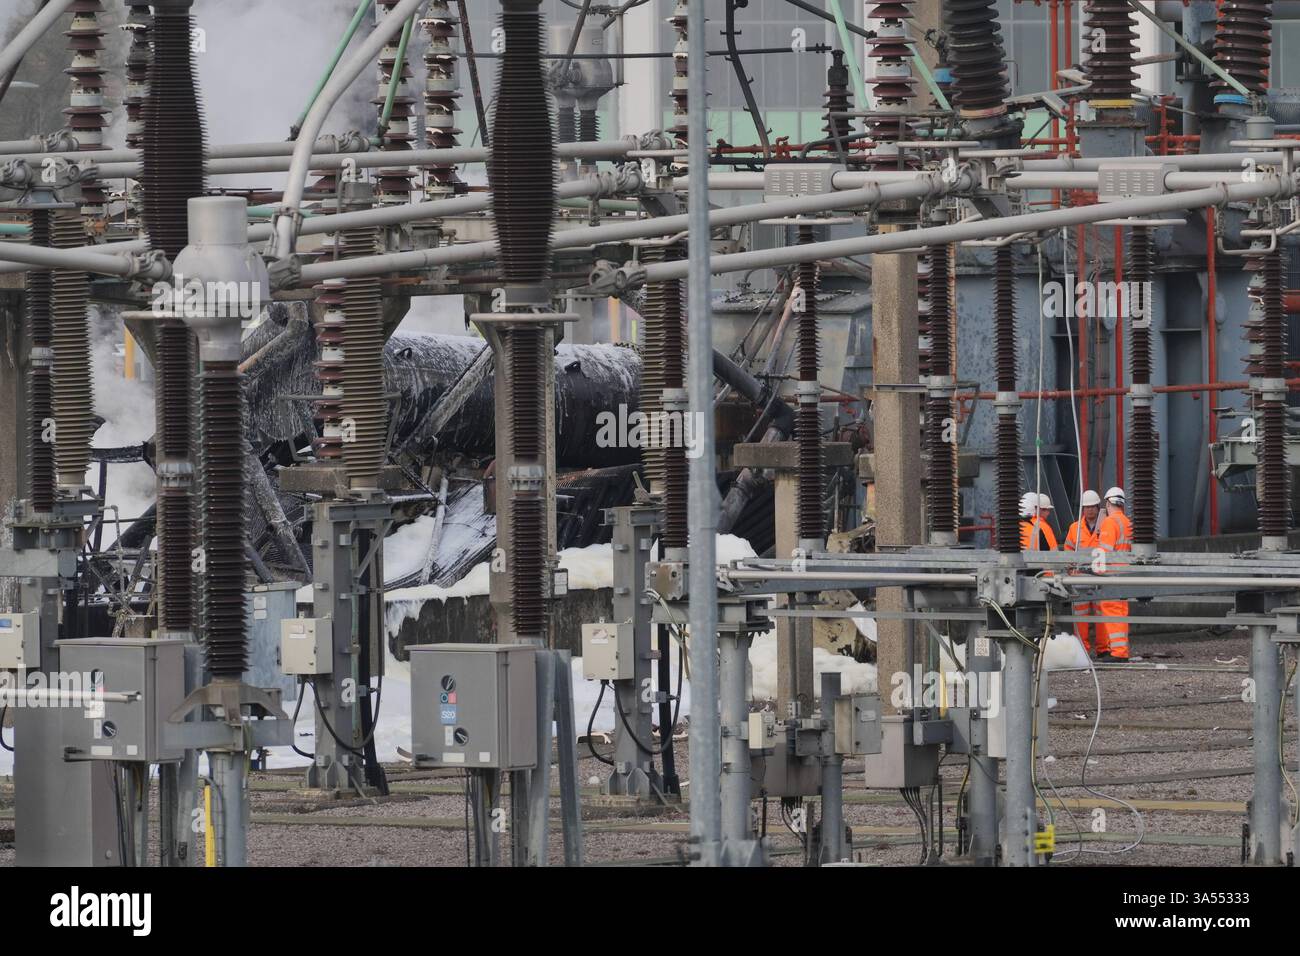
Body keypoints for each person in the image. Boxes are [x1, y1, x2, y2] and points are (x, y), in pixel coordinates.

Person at [1063, 490, 1103, 653]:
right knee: (1080, 617)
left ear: (1098, 507)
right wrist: (1070, 568)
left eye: (1092, 507)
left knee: (1102, 616)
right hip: (1079, 578)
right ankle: (1082, 650)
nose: (1089, 510)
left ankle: (1104, 649)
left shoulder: (1106, 526)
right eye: (1086, 507)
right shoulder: (1075, 528)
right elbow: (1068, 550)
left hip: (1101, 577)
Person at [1096, 486, 1133, 660]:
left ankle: (1119, 653)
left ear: (1109, 503)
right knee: (1121, 612)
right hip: (1125, 574)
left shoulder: (1110, 522)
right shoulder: (1127, 522)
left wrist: (1094, 570)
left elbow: (1105, 551)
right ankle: (1119, 650)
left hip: (1111, 574)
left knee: (1112, 613)